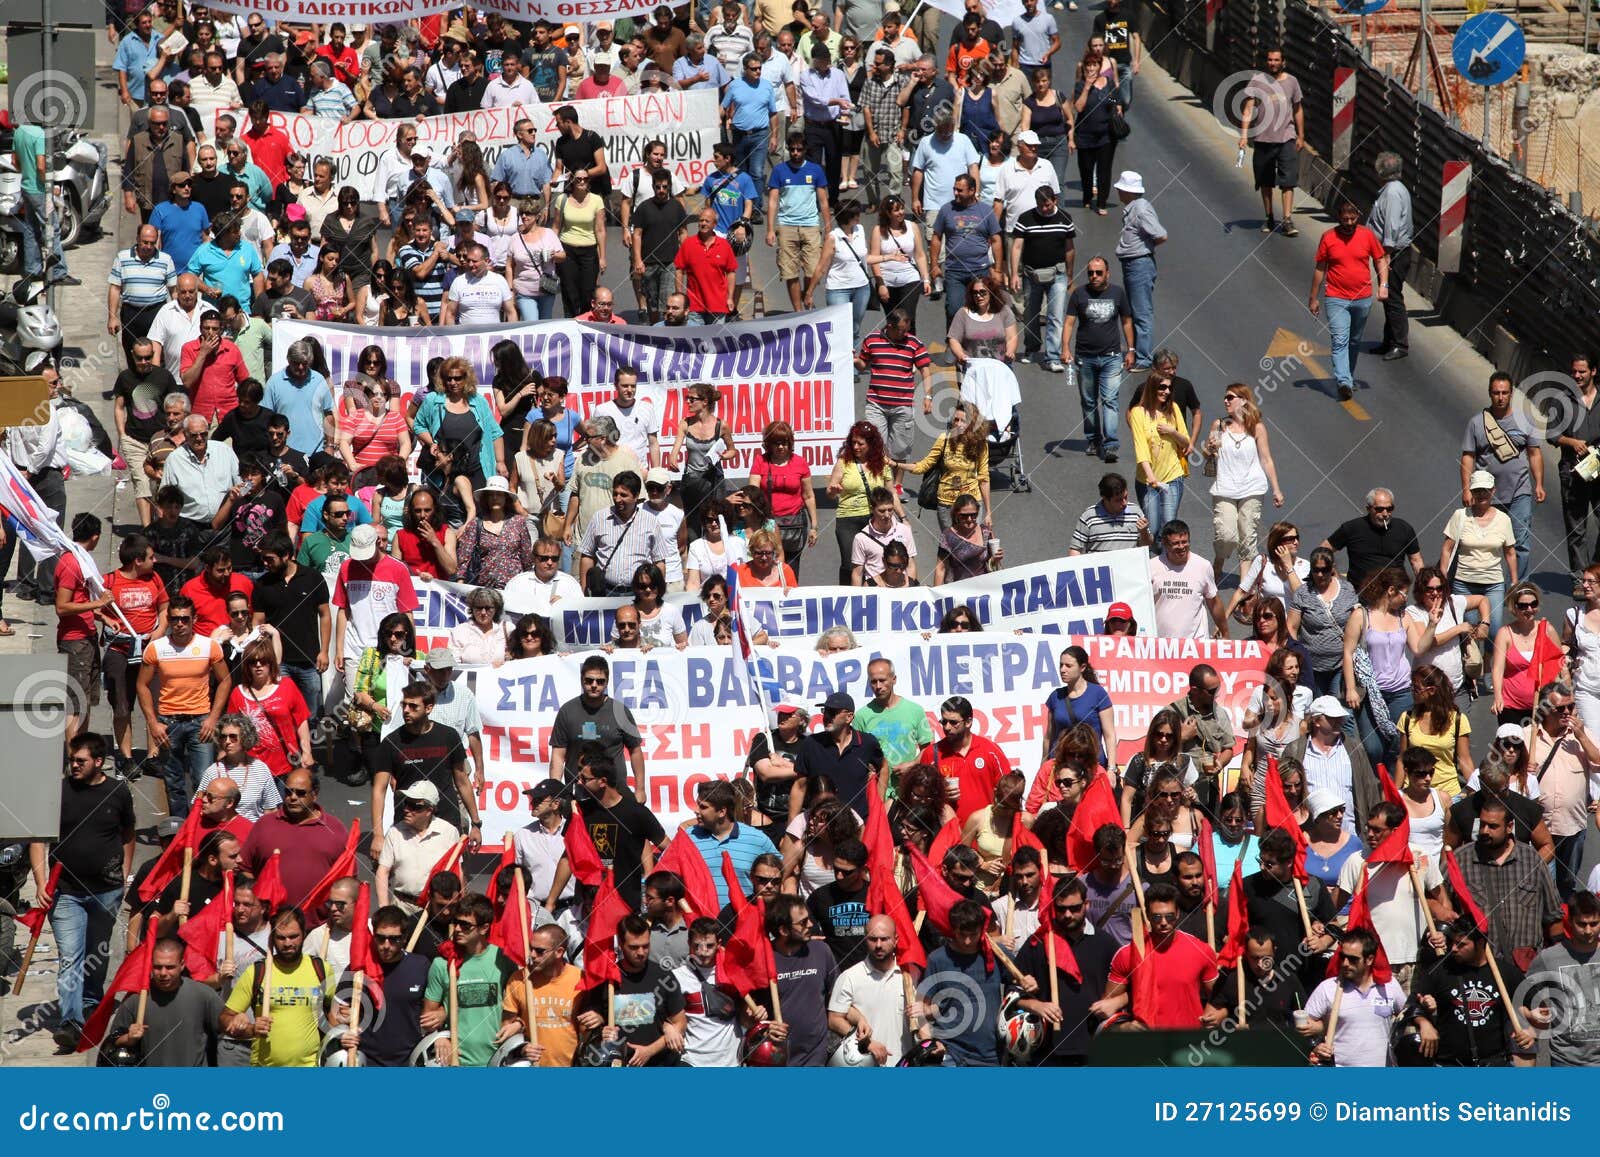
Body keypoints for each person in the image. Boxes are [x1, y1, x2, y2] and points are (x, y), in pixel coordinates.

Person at [29, 735, 135, 1051]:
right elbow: (38, 839)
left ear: (99, 762)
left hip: (106, 891)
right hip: (66, 893)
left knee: (96, 952)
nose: (73, 765)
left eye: (81, 761)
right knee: (70, 956)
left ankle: (91, 1001)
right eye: (72, 760)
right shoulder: (58, 792)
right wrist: (39, 883)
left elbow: (128, 834)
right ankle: (70, 1021)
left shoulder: (117, 792)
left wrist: (124, 874)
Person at [220, 906, 332, 1067]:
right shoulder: (258, 971)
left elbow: (334, 1015)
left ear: (304, 935)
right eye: (281, 937)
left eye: (294, 937)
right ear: (272, 938)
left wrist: (344, 1021)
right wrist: (249, 1028)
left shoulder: (321, 969)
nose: (288, 943)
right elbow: (224, 1019)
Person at [421, 893, 519, 1067]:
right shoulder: (442, 963)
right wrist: (439, 1036)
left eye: (465, 925)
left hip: (497, 1059)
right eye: (455, 922)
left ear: (484, 928)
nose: (457, 929)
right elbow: (428, 1017)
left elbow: (519, 1005)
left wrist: (519, 1024)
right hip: (456, 1060)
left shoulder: (504, 960)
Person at [1309, 197, 1389, 402]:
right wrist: (1313, 298)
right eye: (1345, 220)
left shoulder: (1367, 235)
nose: (1349, 224)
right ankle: (1344, 381)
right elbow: (1320, 268)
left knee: (1354, 341)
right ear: (1339, 218)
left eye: (1353, 219)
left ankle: (1348, 378)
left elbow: (1380, 259)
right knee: (1340, 340)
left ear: (1358, 217)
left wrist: (1383, 285)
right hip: (1336, 297)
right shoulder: (1328, 238)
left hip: (1362, 299)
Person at [239, 769, 349, 911]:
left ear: (314, 795)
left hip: (320, 926)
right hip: (270, 922)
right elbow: (244, 869)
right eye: (288, 792)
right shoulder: (264, 825)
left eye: (300, 793)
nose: (293, 797)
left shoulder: (335, 828)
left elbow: (347, 878)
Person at [1298, 927, 1406, 1066]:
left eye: (1353, 959)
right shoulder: (1328, 988)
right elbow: (1303, 1028)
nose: (1345, 963)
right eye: (1343, 957)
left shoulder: (1389, 985)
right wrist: (1316, 1045)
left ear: (1369, 959)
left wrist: (1425, 1022)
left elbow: (1408, 1014)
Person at [1283, 697, 1382, 839]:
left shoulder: (1354, 749)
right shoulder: (1295, 750)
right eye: (1331, 718)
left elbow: (1369, 788)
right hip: (1310, 837)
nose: (1338, 721)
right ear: (1316, 721)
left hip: (1350, 836)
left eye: (1340, 717)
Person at [1522, 890, 1600, 1066]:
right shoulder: (1548, 958)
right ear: (1570, 921)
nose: (1588, 931)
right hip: (1566, 1060)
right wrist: (1532, 1018)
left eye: (1594, 924)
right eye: (1582, 924)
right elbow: (1523, 996)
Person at [1237, 48, 1304, 235]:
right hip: (1263, 139)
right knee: (1265, 181)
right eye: (1270, 60)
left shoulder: (1292, 82)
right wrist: (1243, 136)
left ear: (1283, 61)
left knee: (1288, 180)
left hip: (1286, 138)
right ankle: (1269, 217)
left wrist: (1301, 135)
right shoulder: (1257, 82)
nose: (1273, 63)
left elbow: (1298, 110)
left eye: (1276, 60)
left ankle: (1287, 219)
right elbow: (1248, 109)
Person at [498, 925, 583, 1067]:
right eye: (531, 948)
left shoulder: (579, 978)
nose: (532, 954)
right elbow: (506, 1028)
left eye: (539, 951)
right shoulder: (519, 979)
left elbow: (587, 1030)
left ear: (559, 952)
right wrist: (522, 1048)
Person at [1491, 582, 1567, 727]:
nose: (1529, 609)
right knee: (1513, 748)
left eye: (1533, 604)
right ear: (1514, 608)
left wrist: (1566, 696)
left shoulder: (1547, 630)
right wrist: (1498, 697)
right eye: (1523, 606)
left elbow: (1560, 665)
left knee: (1542, 748)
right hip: (1511, 706)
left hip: (1544, 705)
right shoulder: (1505, 634)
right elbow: (1498, 669)